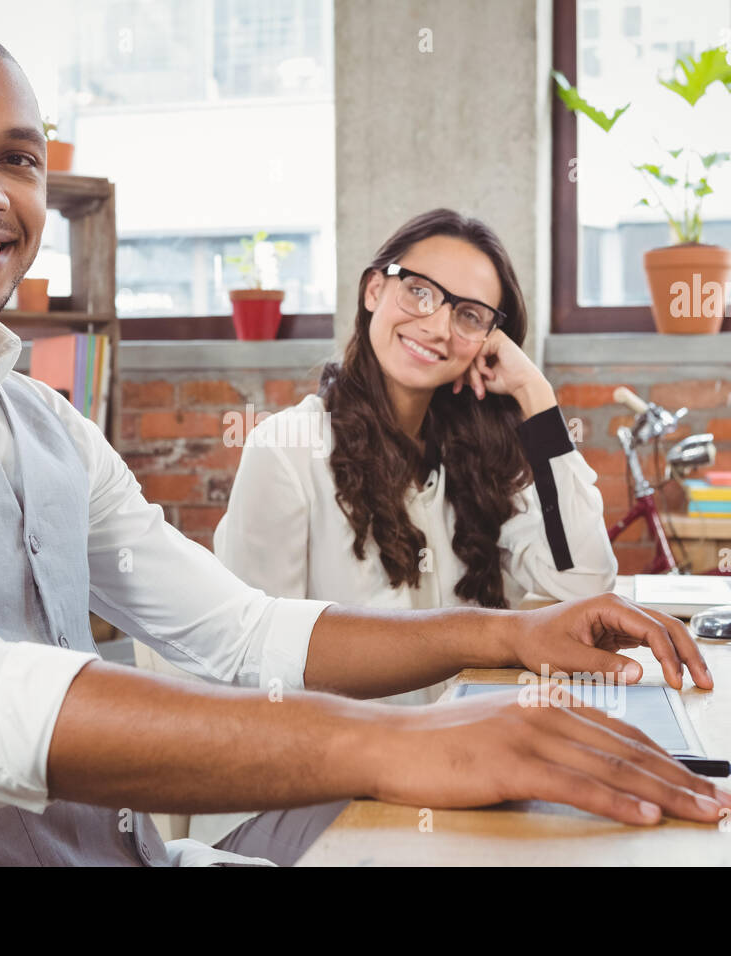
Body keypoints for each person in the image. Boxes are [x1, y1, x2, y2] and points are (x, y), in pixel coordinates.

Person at [0, 16, 731, 868]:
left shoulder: (43, 419)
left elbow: (243, 629)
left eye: (16, 160)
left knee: (578, 831)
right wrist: (405, 742)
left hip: (135, 851)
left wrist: (501, 641)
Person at [201, 210, 620, 851]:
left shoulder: (476, 459)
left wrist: (537, 399)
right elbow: (256, 679)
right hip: (316, 800)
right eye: (419, 291)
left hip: (452, 787)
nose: (436, 325)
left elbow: (581, 583)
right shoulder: (288, 450)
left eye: (470, 315)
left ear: (488, 340)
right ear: (375, 291)